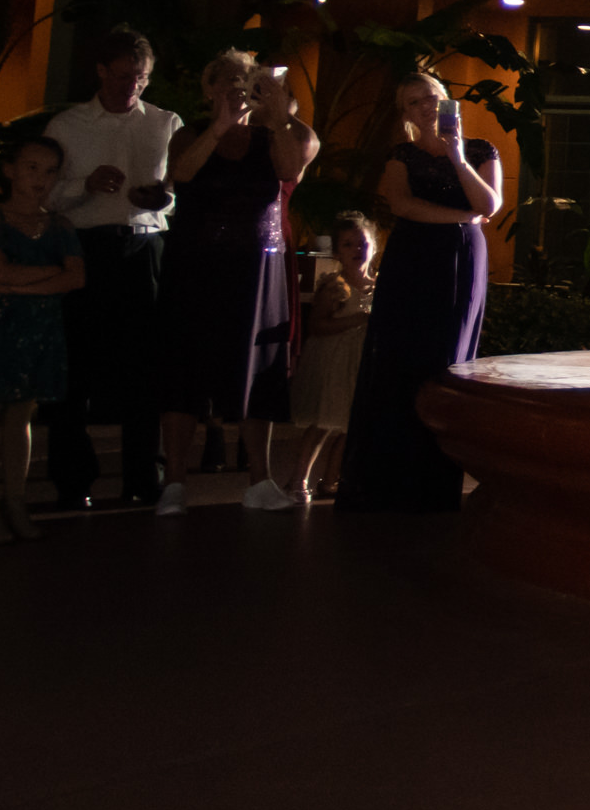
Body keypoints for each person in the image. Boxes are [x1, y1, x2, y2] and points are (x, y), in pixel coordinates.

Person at [153, 51, 315, 516]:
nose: (238, 87)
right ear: (208, 89)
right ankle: (175, 482)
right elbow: (181, 174)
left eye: (247, 80)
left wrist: (279, 118)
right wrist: (219, 127)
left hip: (257, 271)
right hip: (194, 266)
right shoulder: (189, 134)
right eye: (226, 80)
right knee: (183, 369)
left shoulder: (280, 136)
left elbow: (289, 171)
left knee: (257, 370)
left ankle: (260, 479)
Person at [336, 71, 499, 514]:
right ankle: (388, 478)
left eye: (430, 98)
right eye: (413, 103)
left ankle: (435, 480)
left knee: (447, 358)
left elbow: (488, 206)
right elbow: (401, 205)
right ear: (405, 113)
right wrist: (460, 218)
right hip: (412, 262)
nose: (425, 108)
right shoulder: (401, 155)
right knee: (399, 357)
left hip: (461, 262)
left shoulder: (481, 150)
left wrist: (457, 157)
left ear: (445, 100)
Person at [40, 25, 179, 510]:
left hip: (144, 245)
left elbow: (182, 189)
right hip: (86, 247)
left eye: (140, 79)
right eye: (123, 77)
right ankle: (72, 478)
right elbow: (47, 195)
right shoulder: (68, 126)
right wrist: (87, 185)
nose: (131, 87)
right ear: (100, 71)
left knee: (145, 367)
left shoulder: (165, 123)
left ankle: (144, 475)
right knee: (76, 367)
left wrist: (163, 197)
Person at [0, 136, 84, 545]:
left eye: (49, 171)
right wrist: (45, 279)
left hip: (40, 329)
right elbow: (2, 271)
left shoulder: (59, 225)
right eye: (32, 168)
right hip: (0, 328)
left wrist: (23, 288)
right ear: (11, 170)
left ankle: (15, 500)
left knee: (21, 417)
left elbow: (77, 277)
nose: (41, 178)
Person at [286, 214, 376, 501]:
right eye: (348, 245)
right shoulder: (335, 286)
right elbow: (317, 326)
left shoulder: (378, 286)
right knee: (324, 423)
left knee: (351, 426)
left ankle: (331, 479)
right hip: (336, 362)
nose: (357, 250)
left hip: (362, 362)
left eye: (362, 243)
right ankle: (299, 478)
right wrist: (358, 320)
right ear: (337, 252)